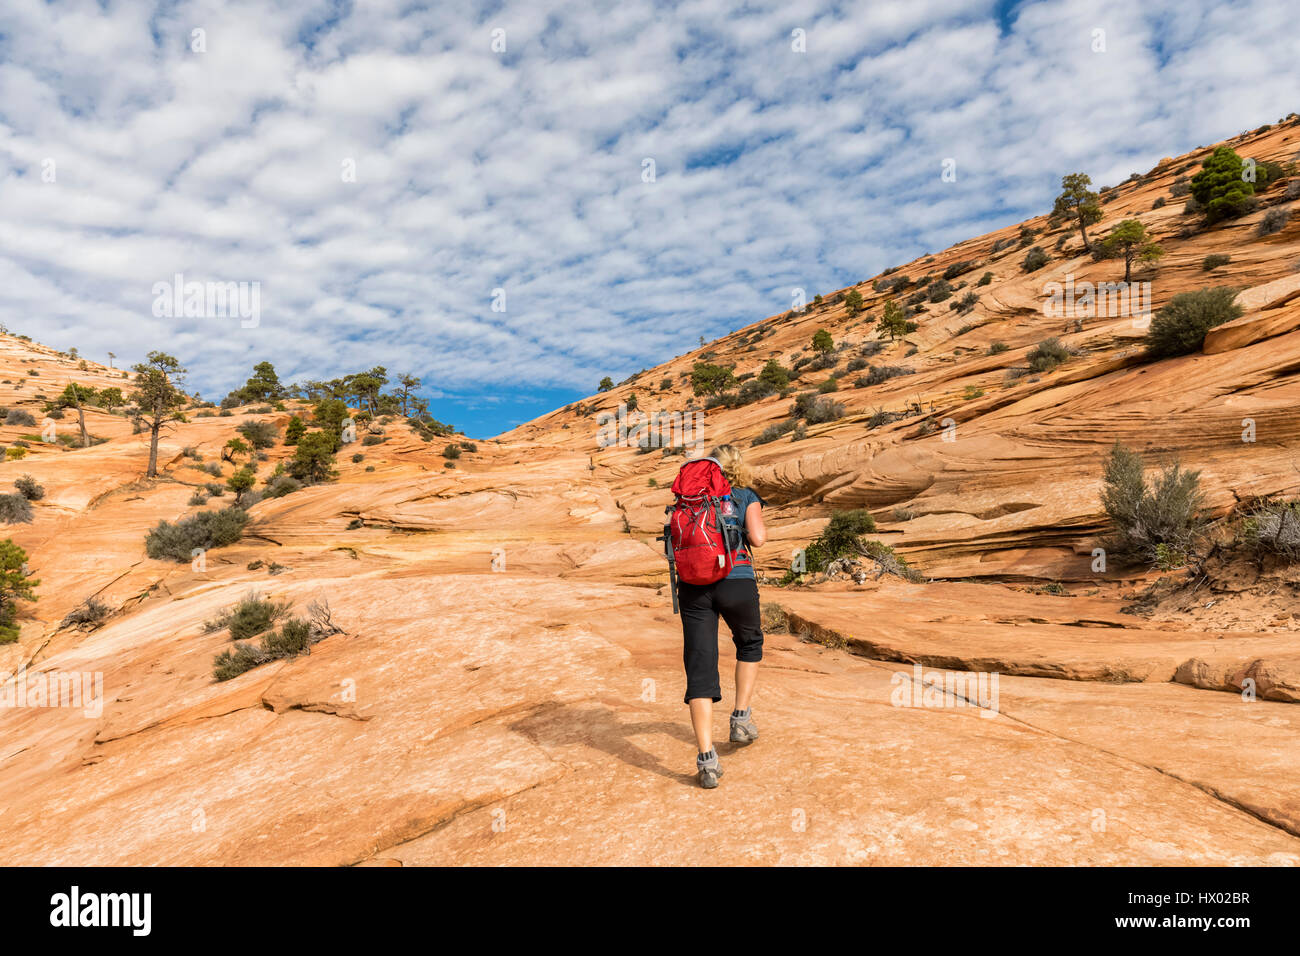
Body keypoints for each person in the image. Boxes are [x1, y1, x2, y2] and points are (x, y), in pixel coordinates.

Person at [677, 443, 767, 789]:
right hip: (736, 580)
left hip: (693, 586)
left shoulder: (690, 500)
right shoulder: (745, 494)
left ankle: (706, 759)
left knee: (700, 664)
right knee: (749, 643)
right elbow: (758, 538)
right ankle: (740, 718)